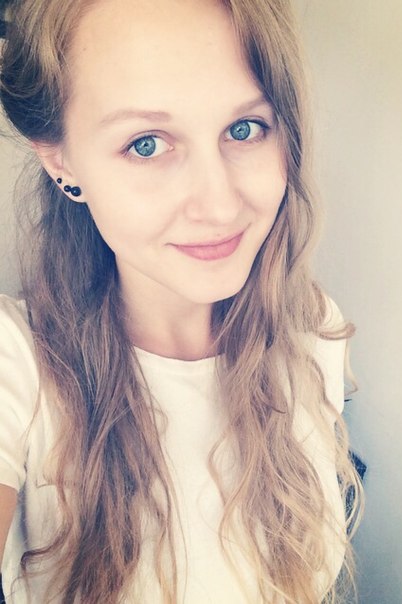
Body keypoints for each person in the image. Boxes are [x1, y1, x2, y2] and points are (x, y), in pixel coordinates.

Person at [0, 0, 362, 602]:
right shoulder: (17, 364)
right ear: (60, 159)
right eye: (146, 144)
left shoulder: (311, 330)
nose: (219, 206)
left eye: (245, 129)